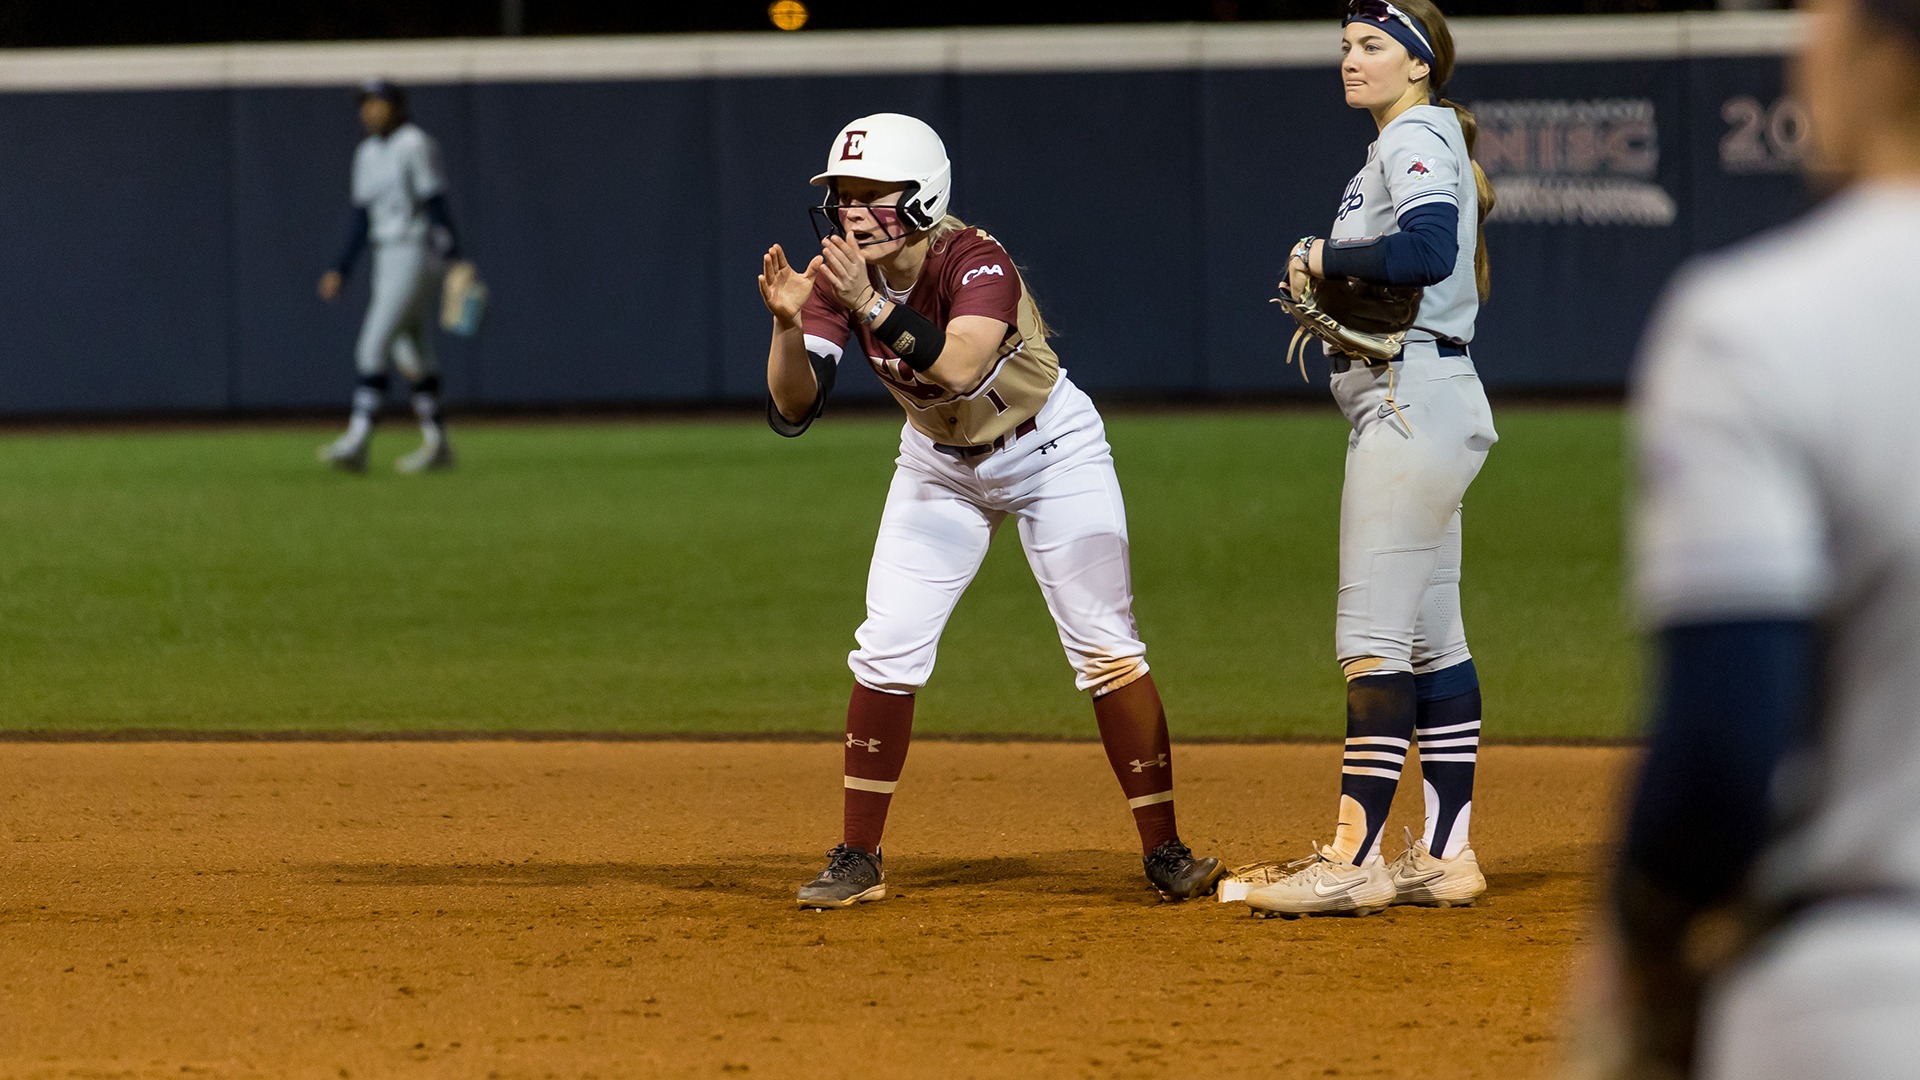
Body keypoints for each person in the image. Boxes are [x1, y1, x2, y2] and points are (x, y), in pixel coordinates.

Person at [756, 112, 1225, 910]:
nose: (850, 211)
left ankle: (1165, 851)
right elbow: (795, 405)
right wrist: (790, 327)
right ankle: (858, 855)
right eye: (843, 195)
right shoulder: (841, 276)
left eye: (872, 195)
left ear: (923, 198)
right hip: (939, 463)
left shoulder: (976, 260)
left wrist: (868, 305)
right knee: (887, 648)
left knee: (1107, 649)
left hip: (1049, 449)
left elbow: (965, 363)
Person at [1586, 0, 1920, 1073]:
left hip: (1861, 992)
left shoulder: (1756, 323)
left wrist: (1645, 936)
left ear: (1877, 57)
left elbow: (1728, 733)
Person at [1243, 0, 1499, 918]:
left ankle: (1354, 859)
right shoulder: (1401, 141)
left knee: (1372, 645)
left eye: (1373, 46)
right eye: (1346, 45)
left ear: (1420, 65)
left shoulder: (1414, 134)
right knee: (1434, 640)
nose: (1350, 59)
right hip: (1424, 399)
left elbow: (1429, 250)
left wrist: (1324, 253)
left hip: (1408, 405)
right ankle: (1445, 853)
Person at [316, 78, 460, 475]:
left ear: (397, 106)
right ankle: (439, 444)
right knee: (413, 353)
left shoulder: (415, 143)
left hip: (414, 251)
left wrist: (456, 258)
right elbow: (361, 219)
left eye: (378, 103)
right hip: (385, 255)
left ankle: (358, 441)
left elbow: (435, 203)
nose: (370, 111)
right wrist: (341, 267)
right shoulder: (365, 153)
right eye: (365, 104)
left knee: (372, 347)